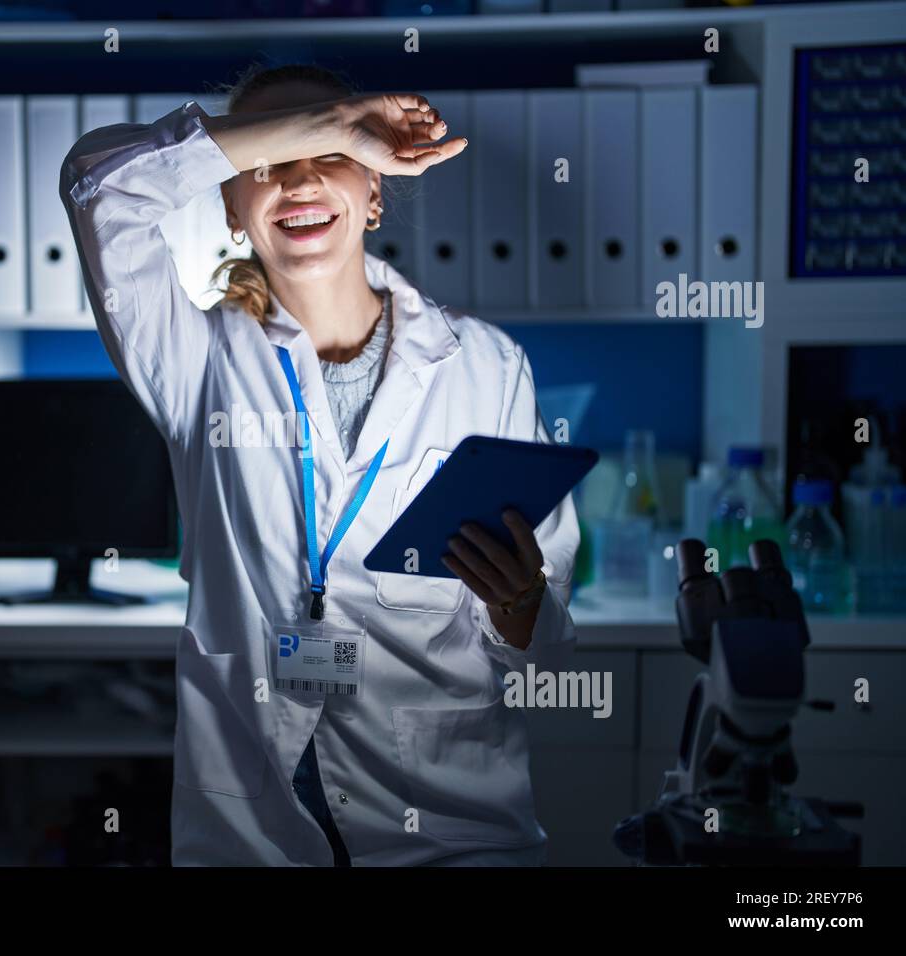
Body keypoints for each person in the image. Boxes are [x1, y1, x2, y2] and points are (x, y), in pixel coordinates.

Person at [61, 63, 579, 866]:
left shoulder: (485, 366)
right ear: (233, 210)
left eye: (333, 158)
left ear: (375, 195)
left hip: (447, 831)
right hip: (250, 836)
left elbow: (543, 644)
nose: (300, 181)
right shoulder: (194, 356)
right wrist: (331, 128)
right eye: (267, 163)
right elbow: (101, 187)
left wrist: (519, 606)